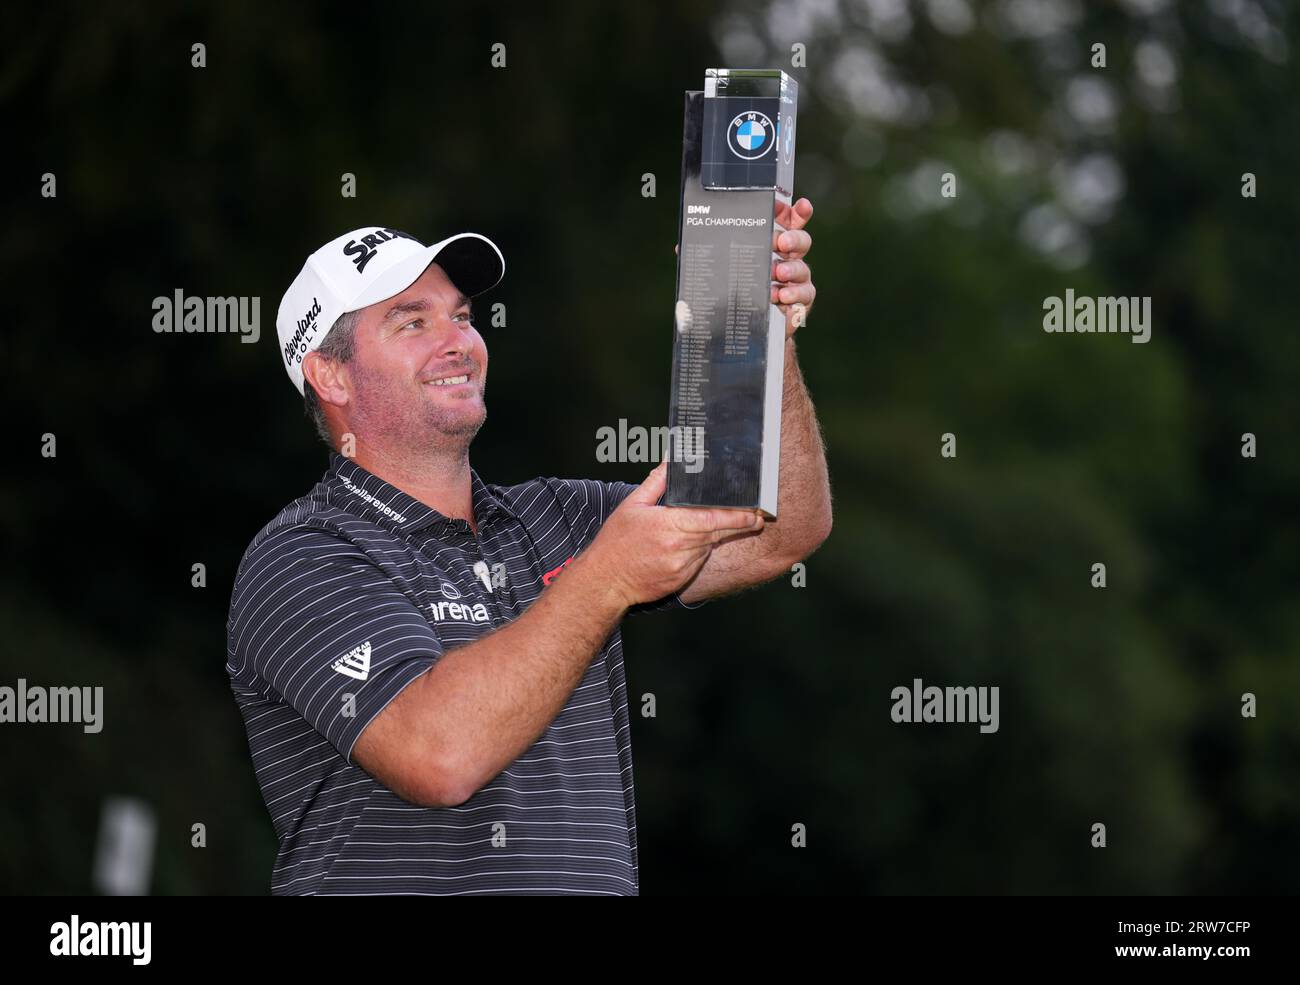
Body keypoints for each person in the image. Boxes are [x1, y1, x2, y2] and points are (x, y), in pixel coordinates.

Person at [226, 205, 831, 894]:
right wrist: (605, 578)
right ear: (330, 376)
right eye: (413, 322)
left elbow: (781, 529)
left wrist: (762, 330)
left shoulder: (557, 516)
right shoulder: (302, 556)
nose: (456, 341)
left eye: (461, 316)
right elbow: (439, 754)